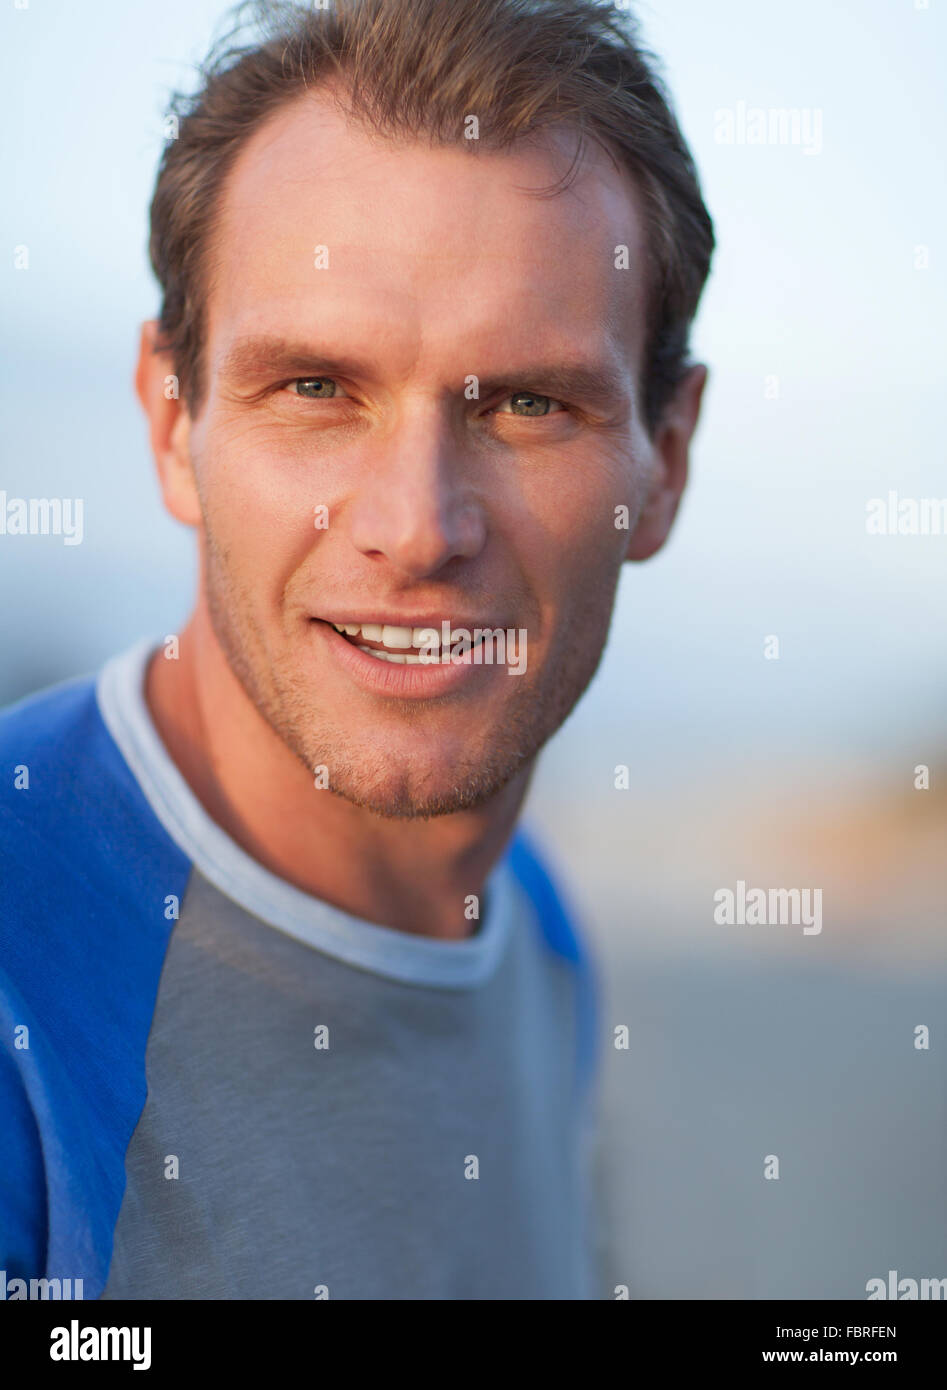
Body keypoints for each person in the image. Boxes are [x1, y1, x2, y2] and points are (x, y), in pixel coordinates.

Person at [0, 0, 712, 1300]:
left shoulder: (540, 937)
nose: (415, 528)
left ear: (665, 462)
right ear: (173, 423)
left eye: (530, 404)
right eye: (318, 389)